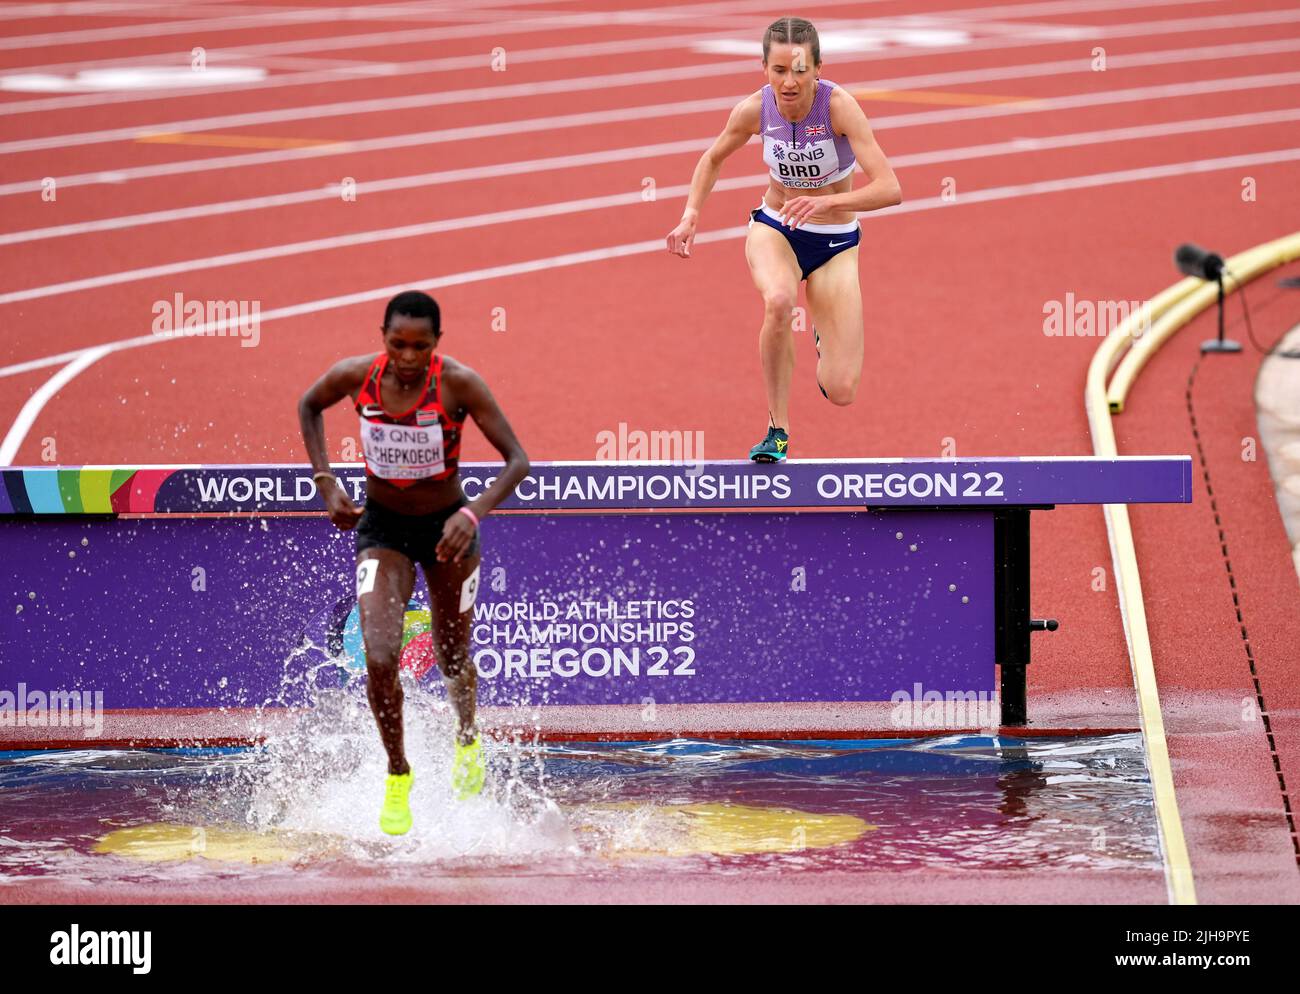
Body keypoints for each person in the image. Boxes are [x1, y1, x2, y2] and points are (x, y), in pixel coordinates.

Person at [298, 290, 529, 835]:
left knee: (452, 657)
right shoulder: (356, 377)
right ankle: (398, 772)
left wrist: (471, 515)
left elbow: (518, 461)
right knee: (380, 656)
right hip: (382, 530)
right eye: (397, 344)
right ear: (382, 338)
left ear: (436, 344)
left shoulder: (458, 383)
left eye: (419, 347)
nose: (407, 356)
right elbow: (308, 405)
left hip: (448, 529)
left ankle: (467, 739)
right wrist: (325, 481)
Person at [666, 15, 902, 462]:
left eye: (798, 70)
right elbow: (713, 157)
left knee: (842, 389)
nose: (789, 82)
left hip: (834, 242)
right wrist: (690, 214)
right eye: (778, 71)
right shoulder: (755, 109)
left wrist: (827, 204)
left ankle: (821, 334)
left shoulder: (839, 107)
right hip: (776, 226)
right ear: (764, 69)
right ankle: (777, 429)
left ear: (817, 68)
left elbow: (891, 188)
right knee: (778, 300)